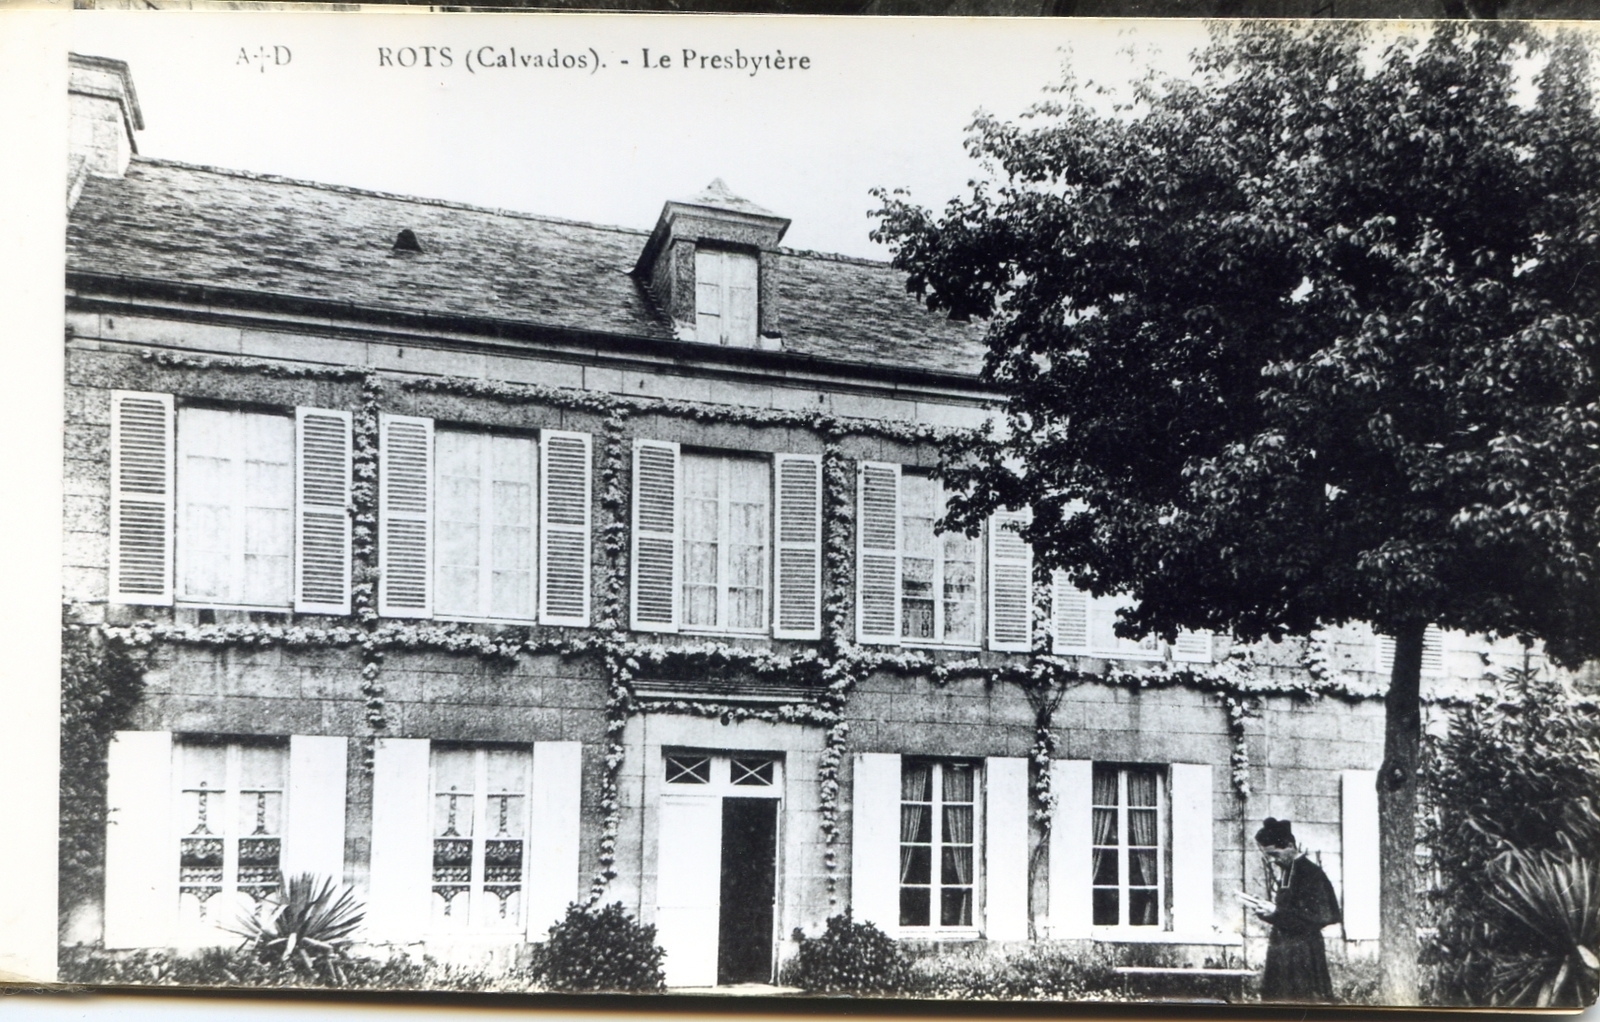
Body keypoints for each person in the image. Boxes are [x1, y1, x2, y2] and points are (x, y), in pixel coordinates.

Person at [1252, 817, 1341, 1002]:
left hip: (1303, 955)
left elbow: (1318, 917)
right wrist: (1268, 913)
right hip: (1283, 952)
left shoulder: (1311, 874)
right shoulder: (1288, 871)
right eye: (1267, 856)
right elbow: (1288, 912)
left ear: (1290, 846)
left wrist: (1276, 913)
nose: (1272, 861)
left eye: (1275, 854)